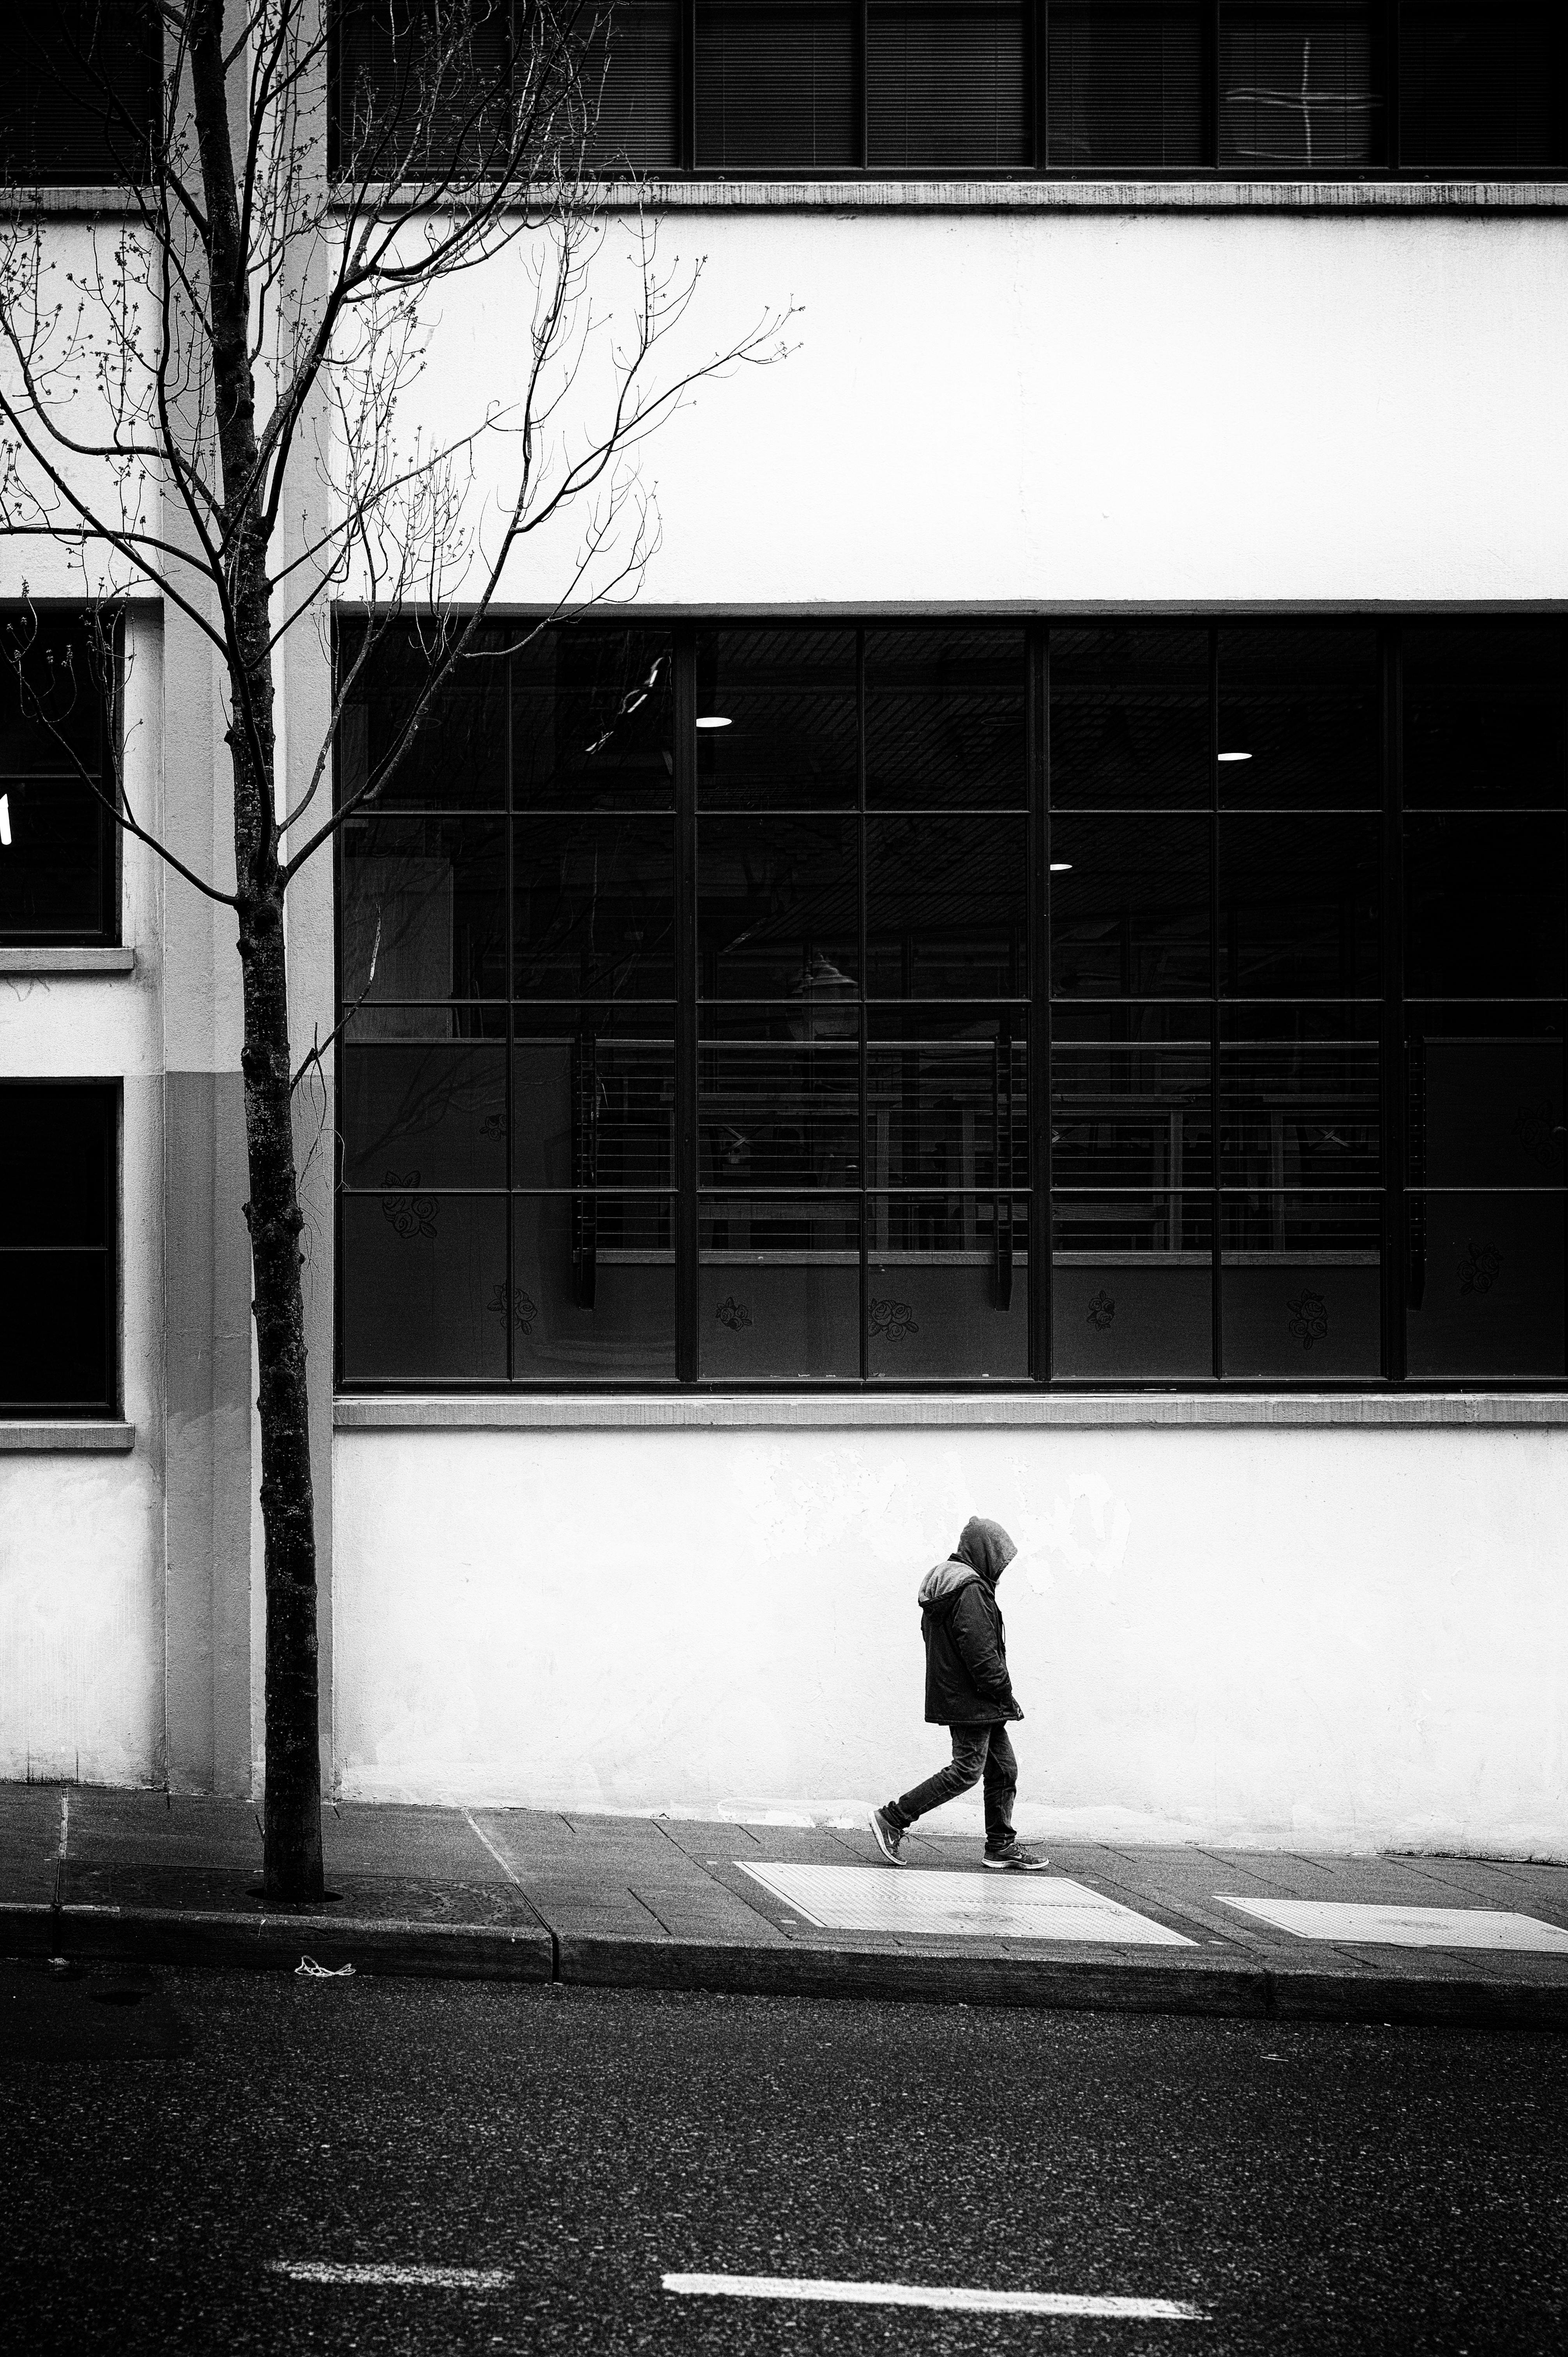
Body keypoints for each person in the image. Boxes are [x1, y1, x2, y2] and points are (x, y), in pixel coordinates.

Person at [869, 1514, 1046, 1872]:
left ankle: (1000, 1846)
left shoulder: (945, 1585)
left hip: (965, 1695)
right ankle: (893, 1818)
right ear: (985, 1553)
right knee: (967, 1770)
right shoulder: (971, 1590)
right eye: (1000, 1558)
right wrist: (1003, 1691)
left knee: (1004, 1768)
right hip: (975, 1698)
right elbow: (981, 1652)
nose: (1001, 1567)